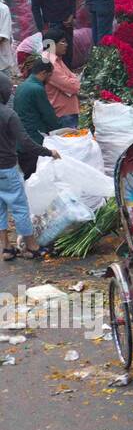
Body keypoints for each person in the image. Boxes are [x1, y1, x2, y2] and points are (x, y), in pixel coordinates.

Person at [0, 72, 58, 260]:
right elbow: (25, 142)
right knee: (20, 207)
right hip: (7, 168)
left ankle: (6, 248)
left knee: (0, 208)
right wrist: (48, 152)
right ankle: (31, 246)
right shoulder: (9, 114)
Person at [41, 28, 81, 129]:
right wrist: (74, 80)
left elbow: (73, 77)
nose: (66, 45)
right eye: (62, 42)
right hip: (62, 114)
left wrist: (73, 80)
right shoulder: (49, 62)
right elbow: (73, 87)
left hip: (66, 112)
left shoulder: (56, 59)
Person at [15, 61, 59, 150]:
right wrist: (59, 131)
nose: (50, 79)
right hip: (35, 136)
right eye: (49, 75)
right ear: (43, 73)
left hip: (21, 135)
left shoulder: (22, 85)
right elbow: (48, 115)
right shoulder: (37, 89)